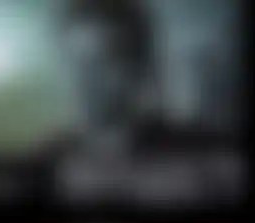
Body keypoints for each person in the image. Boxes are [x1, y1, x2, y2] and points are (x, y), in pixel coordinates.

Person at [34, 0, 240, 205]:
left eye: (103, 62)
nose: (86, 80)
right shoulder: (44, 167)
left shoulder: (207, 164)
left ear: (141, 67)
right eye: (75, 64)